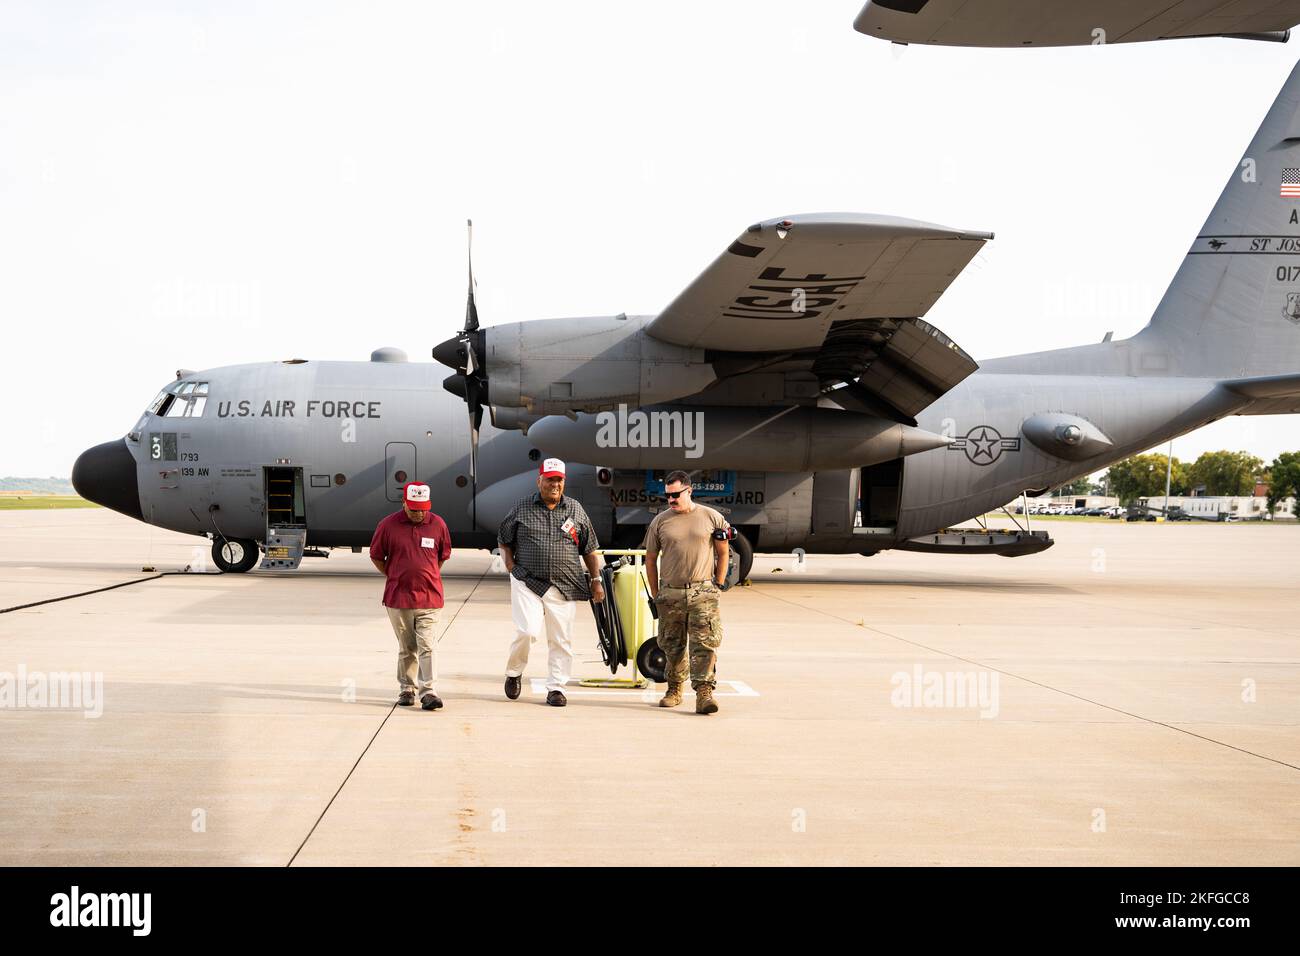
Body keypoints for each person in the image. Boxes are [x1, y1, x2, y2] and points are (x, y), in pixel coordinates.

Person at [497, 458, 604, 707]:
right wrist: (511, 566)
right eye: (550, 479)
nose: (554, 484)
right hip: (527, 580)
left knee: (561, 639)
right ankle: (514, 672)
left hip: (564, 584)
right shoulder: (522, 507)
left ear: (563, 481)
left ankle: (556, 687)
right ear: (539, 480)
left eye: (559, 479)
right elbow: (504, 538)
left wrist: (596, 580)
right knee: (527, 631)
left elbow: (589, 548)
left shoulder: (575, 509)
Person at [644, 470, 730, 715]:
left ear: (689, 490)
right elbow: (651, 559)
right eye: (668, 496)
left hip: (702, 590)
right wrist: (656, 592)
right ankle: (674, 689)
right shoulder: (660, 521)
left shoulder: (711, 517)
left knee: (704, 644)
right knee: (672, 645)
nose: (671, 500)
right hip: (670, 593)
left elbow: (724, 552)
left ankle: (704, 693)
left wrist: (718, 583)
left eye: (676, 495)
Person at [369, 481, 452, 711]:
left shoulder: (438, 524)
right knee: (407, 646)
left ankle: (429, 691)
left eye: (423, 508)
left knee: (427, 644)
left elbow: (442, 556)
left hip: (430, 598)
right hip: (398, 598)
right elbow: (376, 555)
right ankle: (407, 688)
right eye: (414, 508)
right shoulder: (388, 525)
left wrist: (428, 574)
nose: (418, 513)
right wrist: (394, 574)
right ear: (404, 503)